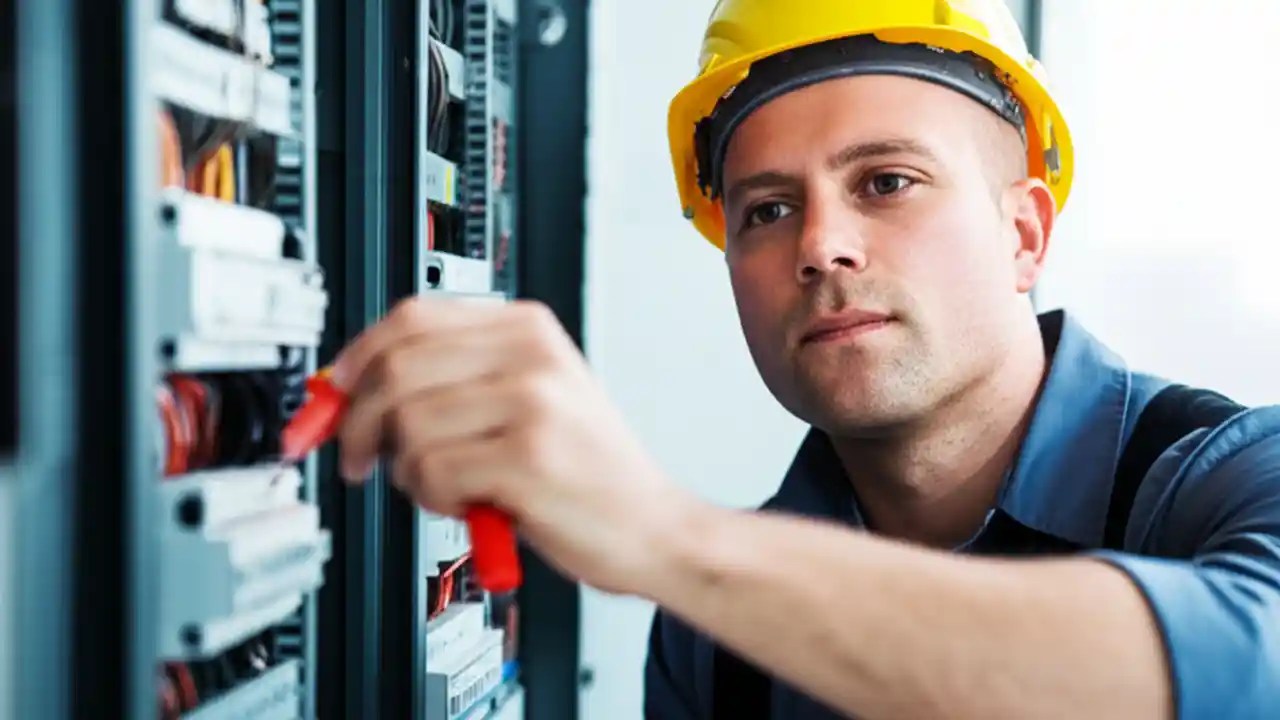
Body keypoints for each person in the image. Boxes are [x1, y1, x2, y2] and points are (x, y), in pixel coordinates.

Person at [330, 1, 1280, 717]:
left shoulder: (1236, 479)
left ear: (1024, 233)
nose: (821, 246)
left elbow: (1246, 674)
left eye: (887, 182)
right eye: (769, 210)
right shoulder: (715, 645)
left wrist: (666, 538)